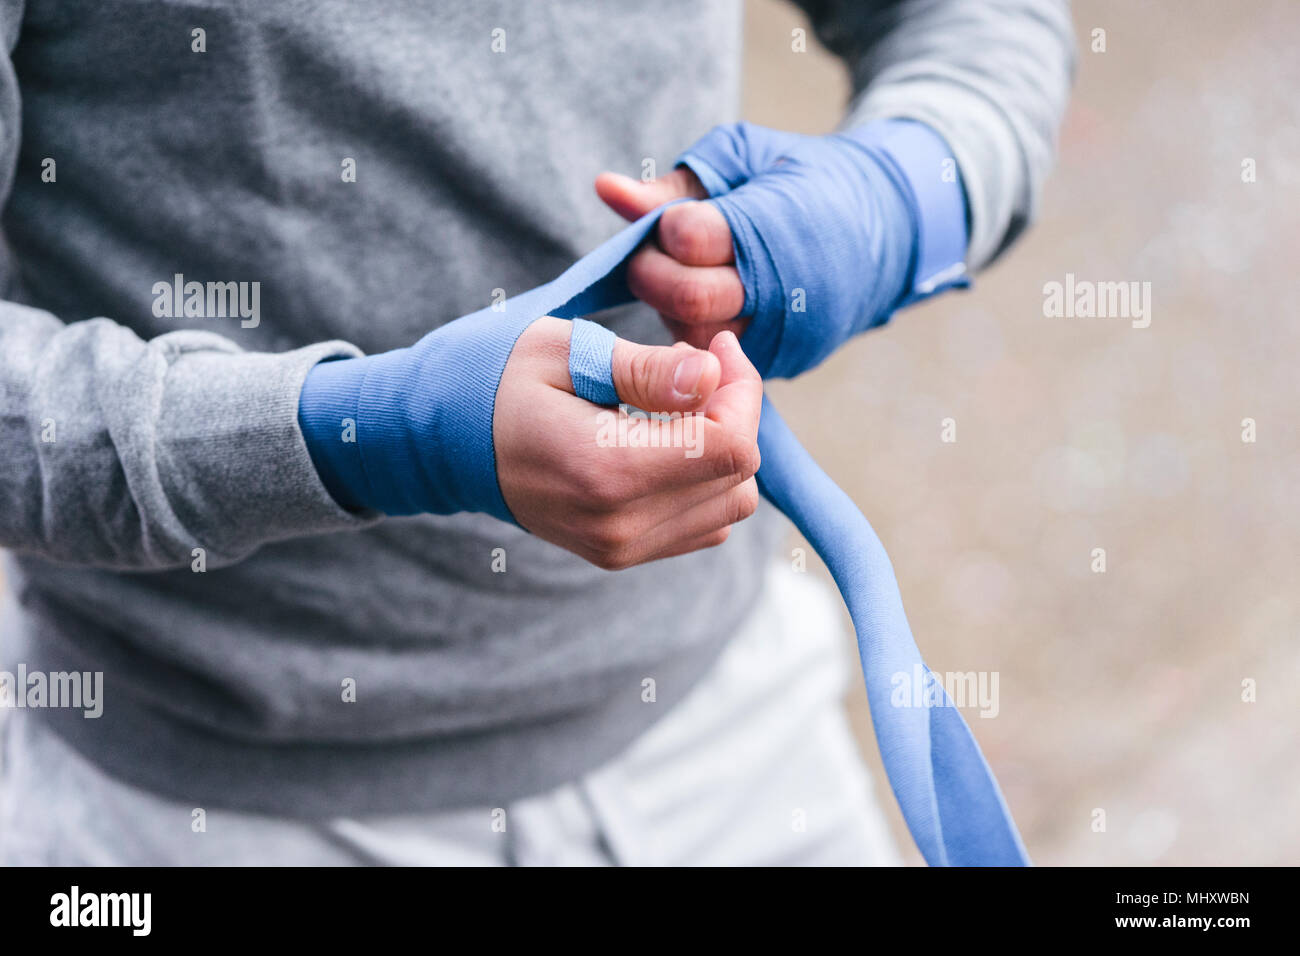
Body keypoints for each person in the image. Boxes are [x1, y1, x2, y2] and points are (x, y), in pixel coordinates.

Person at [0, 1, 1073, 865]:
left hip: (737, 738)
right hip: (210, 805)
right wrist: (368, 434)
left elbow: (977, 22)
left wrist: (897, 198)